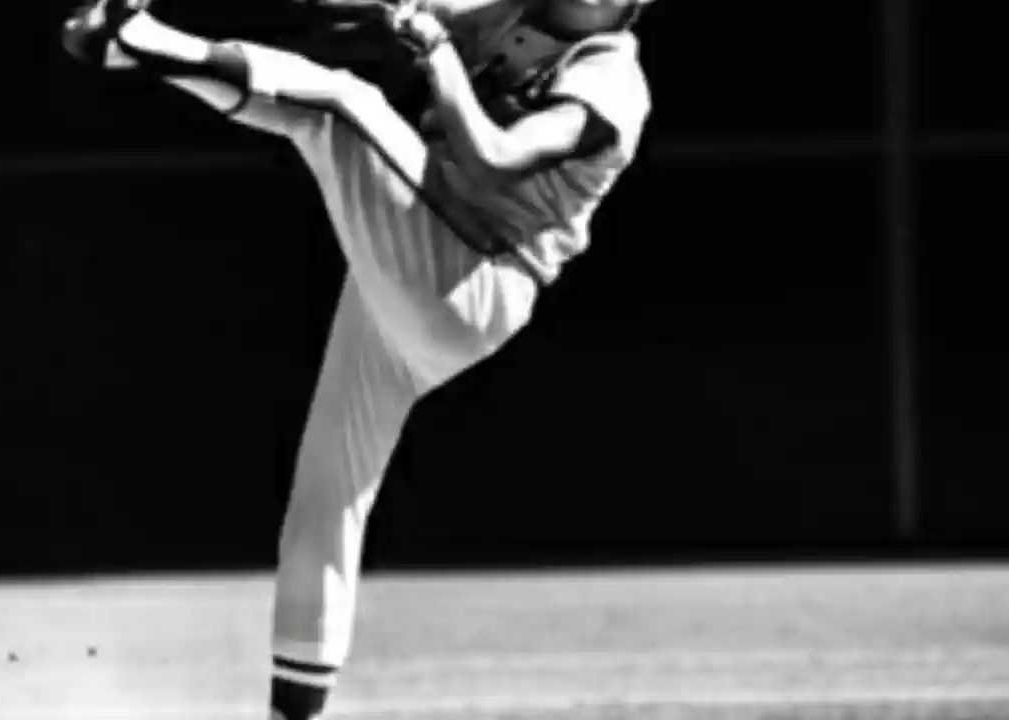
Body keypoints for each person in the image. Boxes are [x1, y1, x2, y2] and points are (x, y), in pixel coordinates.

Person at [61, 1, 653, 717]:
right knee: (328, 494)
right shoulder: (500, 11)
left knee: (343, 106)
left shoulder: (612, 75)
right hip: (416, 269)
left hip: (474, 276)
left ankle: (141, 42)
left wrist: (433, 53)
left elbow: (495, 160)